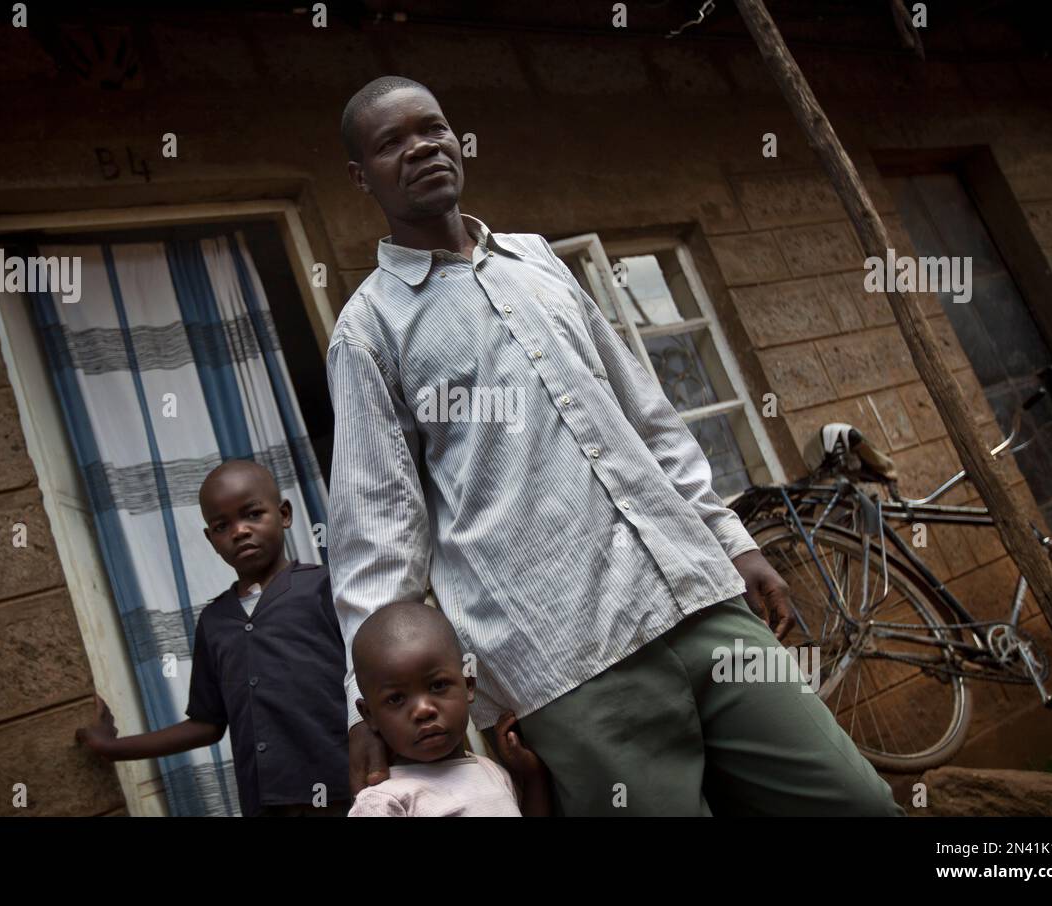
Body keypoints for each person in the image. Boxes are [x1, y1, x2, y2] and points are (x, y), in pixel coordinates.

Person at [326, 75, 904, 816]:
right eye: (391, 143)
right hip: (570, 666)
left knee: (858, 804)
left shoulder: (536, 261)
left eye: (432, 127)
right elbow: (375, 540)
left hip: (696, 601)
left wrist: (732, 541)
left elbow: (648, 417)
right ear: (359, 176)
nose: (422, 147)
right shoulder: (368, 332)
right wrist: (363, 707)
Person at [76, 460, 349, 816]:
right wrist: (114, 748)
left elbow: (375, 681)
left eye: (252, 514)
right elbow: (207, 724)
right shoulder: (215, 621)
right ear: (210, 538)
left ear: (283, 514)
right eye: (222, 526)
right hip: (266, 806)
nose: (239, 531)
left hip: (348, 794)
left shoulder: (326, 588)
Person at [347, 601, 550, 817]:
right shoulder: (383, 802)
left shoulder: (492, 772)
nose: (423, 710)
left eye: (438, 685)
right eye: (396, 699)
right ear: (369, 715)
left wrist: (532, 778)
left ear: (468, 685)